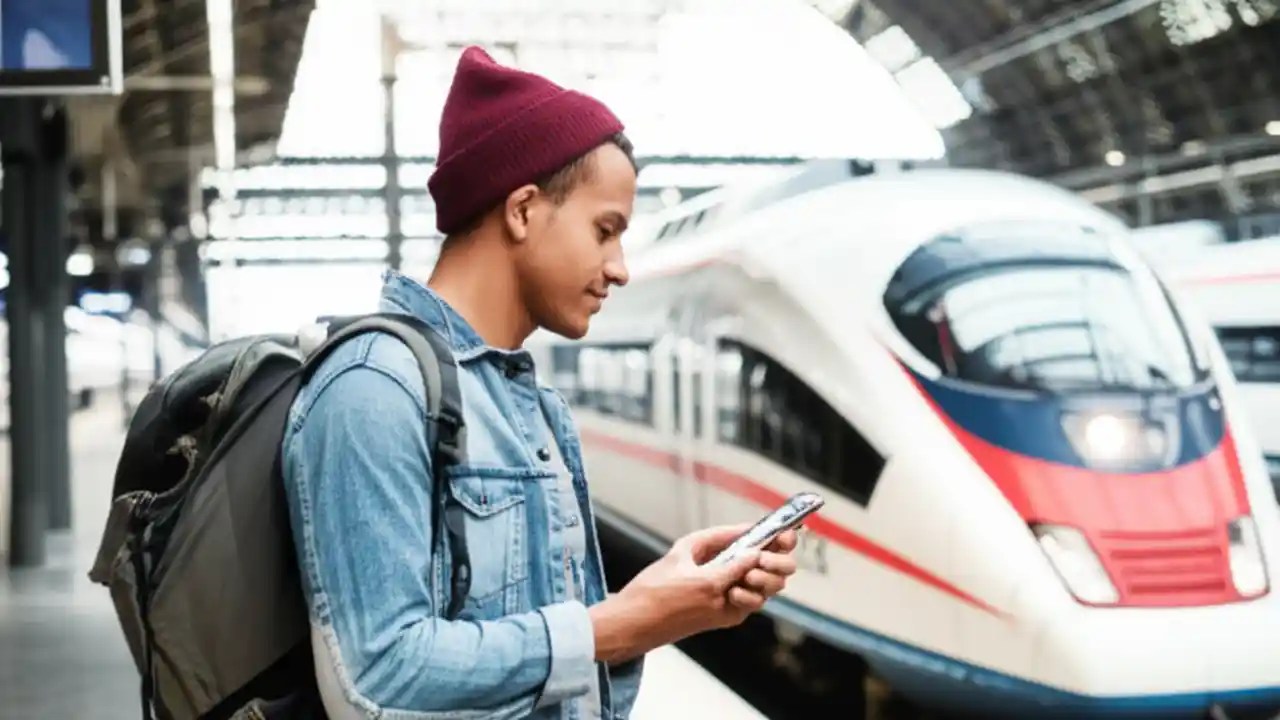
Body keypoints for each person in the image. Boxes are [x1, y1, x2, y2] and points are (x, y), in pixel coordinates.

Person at [280, 46, 798, 720]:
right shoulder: (374, 387)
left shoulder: (534, 408)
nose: (620, 268)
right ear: (522, 210)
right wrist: (619, 625)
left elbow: (564, 667)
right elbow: (378, 678)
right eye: (605, 231)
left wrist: (660, 607)